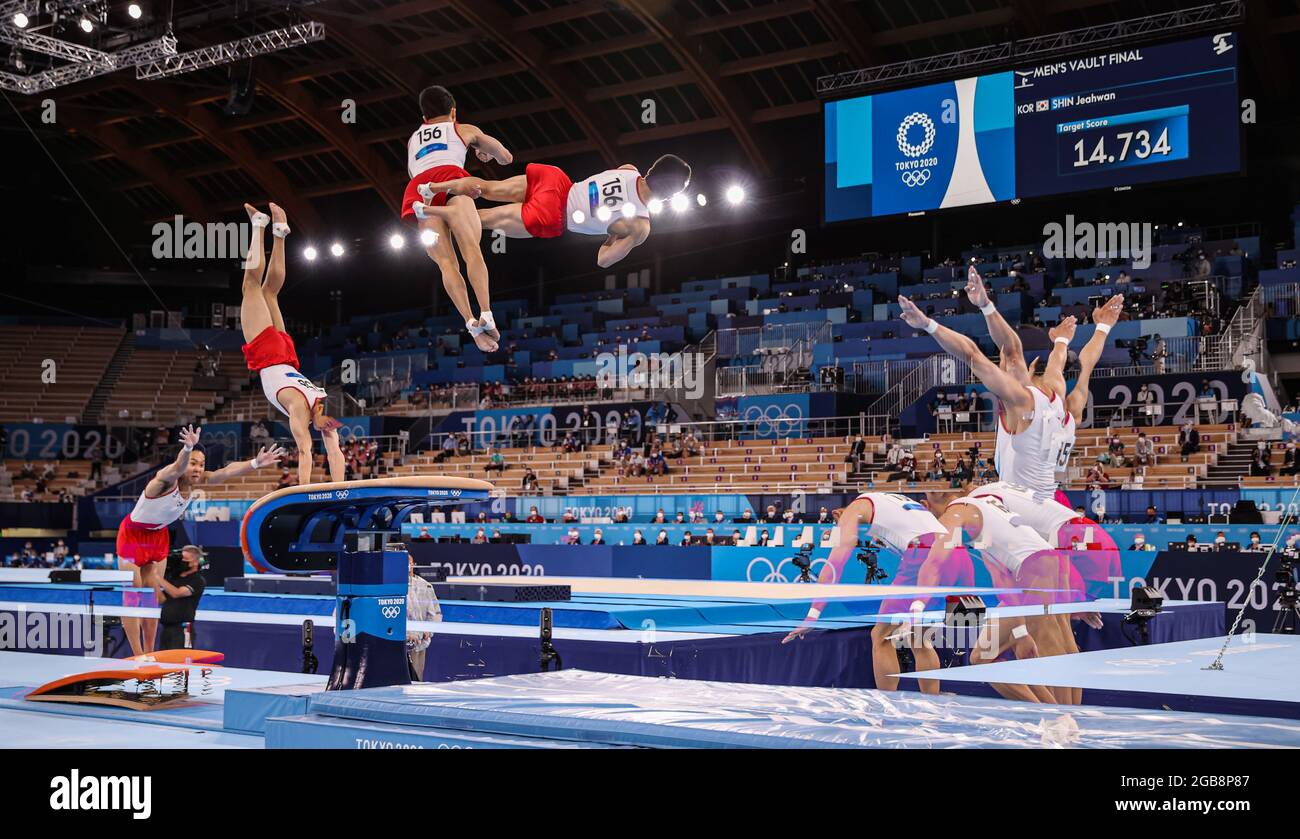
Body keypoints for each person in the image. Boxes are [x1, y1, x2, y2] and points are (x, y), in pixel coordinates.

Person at [116, 425, 284, 657]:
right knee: (133, 595)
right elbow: (177, 467)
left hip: (158, 536)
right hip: (133, 535)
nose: (198, 469)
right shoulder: (164, 481)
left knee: (151, 596)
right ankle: (135, 655)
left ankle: (148, 654)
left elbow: (224, 472)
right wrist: (187, 447)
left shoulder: (197, 480)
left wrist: (254, 463)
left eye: (201, 464)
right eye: (193, 463)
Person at [783, 492, 969, 695]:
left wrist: (813, 615)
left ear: (837, 514)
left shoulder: (853, 510)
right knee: (920, 638)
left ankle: (887, 704)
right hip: (957, 554)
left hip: (925, 552)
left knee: (881, 636)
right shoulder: (893, 500)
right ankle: (933, 703)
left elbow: (835, 563)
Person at [417, 154, 692, 268]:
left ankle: (433, 187)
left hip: (556, 181)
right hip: (554, 215)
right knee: (484, 220)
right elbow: (603, 260)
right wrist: (611, 233)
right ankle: (433, 219)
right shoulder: (640, 226)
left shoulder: (629, 170)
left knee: (488, 187)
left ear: (653, 169)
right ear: (669, 194)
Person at [239, 203, 344, 486]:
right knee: (251, 284)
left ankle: (281, 232)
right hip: (271, 355)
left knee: (269, 292)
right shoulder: (300, 410)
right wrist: (305, 491)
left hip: (286, 354)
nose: (327, 429)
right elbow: (306, 451)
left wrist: (340, 488)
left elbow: (335, 451)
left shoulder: (318, 401)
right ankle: (259, 225)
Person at [403, 85, 513, 352]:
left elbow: (412, 171)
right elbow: (506, 157)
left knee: (445, 263)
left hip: (421, 190)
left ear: (423, 119)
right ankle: (486, 312)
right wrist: (483, 151)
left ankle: (471, 323)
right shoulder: (463, 128)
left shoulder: (413, 139)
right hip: (453, 180)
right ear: (454, 112)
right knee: (471, 250)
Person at [155, 544, 208, 651]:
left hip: (183, 628)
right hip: (166, 628)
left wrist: (158, 578)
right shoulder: (174, 578)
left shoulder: (197, 580)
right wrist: (154, 583)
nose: (182, 561)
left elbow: (177, 593)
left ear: (195, 562)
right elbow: (162, 599)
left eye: (186, 559)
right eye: (182, 558)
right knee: (164, 664)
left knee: (182, 662)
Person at [403, 545, 441, 680]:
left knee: (417, 679)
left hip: (420, 643)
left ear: (413, 564)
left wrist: (428, 630)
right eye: (403, 563)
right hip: (402, 643)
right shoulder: (392, 587)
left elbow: (435, 613)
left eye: (409, 563)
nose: (407, 566)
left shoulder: (425, 586)